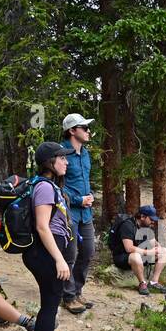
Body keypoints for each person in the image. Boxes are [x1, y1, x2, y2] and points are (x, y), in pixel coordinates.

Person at [22, 141, 73, 331]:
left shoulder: (49, 185)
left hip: (45, 252)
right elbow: (43, 227)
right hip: (45, 253)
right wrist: (59, 259)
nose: (66, 161)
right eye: (61, 157)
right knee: (52, 303)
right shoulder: (44, 187)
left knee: (48, 302)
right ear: (49, 162)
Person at [60, 112, 96, 314]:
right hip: (68, 213)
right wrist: (77, 200)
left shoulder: (85, 153)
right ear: (72, 131)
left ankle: (78, 289)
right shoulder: (61, 153)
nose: (88, 131)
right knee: (69, 254)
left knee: (89, 251)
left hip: (86, 213)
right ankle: (68, 296)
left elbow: (84, 180)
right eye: (84, 128)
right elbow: (57, 186)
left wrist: (89, 196)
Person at [110, 204, 166, 295]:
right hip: (122, 256)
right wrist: (149, 252)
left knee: (165, 251)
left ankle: (154, 282)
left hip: (140, 254)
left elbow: (154, 242)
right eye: (151, 219)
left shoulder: (146, 227)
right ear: (142, 217)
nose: (153, 222)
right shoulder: (127, 225)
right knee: (136, 256)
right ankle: (142, 283)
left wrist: (158, 249)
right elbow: (129, 248)